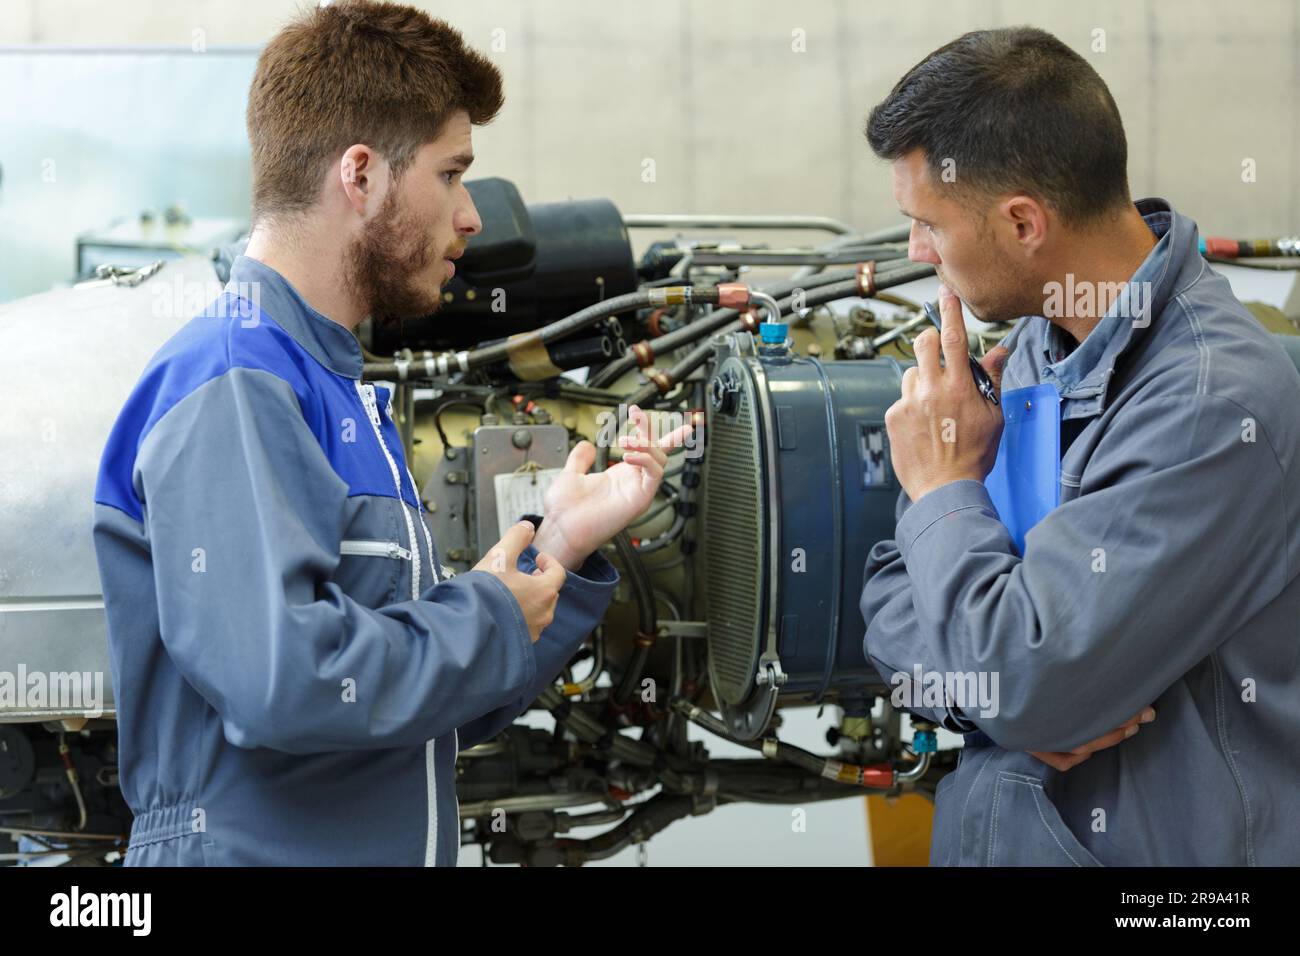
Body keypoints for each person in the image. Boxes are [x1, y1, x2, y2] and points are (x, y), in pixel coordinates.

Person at [92, 0, 688, 866]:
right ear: (361, 176)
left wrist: (558, 549)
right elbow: (285, 682)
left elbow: (427, 701)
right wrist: (488, 612)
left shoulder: (336, 390)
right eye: (452, 174)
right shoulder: (235, 382)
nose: (473, 215)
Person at [860, 27, 1300, 865]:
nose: (916, 256)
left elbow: (1030, 679)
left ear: (1024, 221)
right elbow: (887, 597)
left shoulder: (1210, 406)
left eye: (927, 226)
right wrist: (988, 702)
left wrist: (946, 487)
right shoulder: (1038, 345)